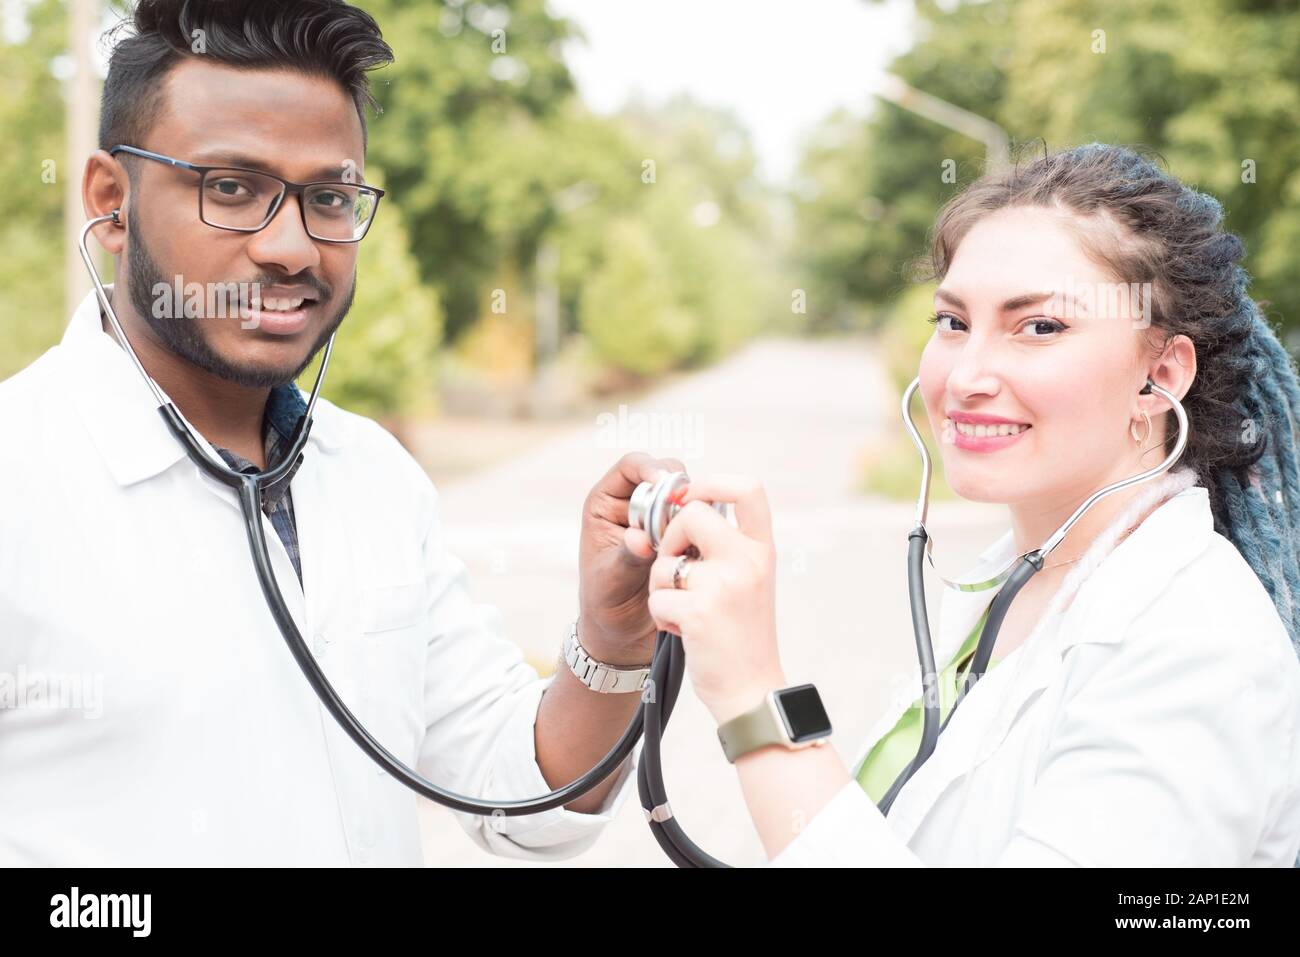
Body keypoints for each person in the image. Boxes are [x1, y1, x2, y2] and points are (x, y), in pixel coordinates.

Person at [0, 0, 672, 866]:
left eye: (328, 197)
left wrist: (611, 641)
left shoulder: (375, 478)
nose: (291, 247)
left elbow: (525, 799)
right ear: (111, 200)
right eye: (230, 188)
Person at [634, 143, 1300, 866]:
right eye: (953, 323)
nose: (967, 375)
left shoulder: (1191, 647)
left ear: (1158, 375)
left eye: (1039, 326)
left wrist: (750, 690)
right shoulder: (1021, 582)